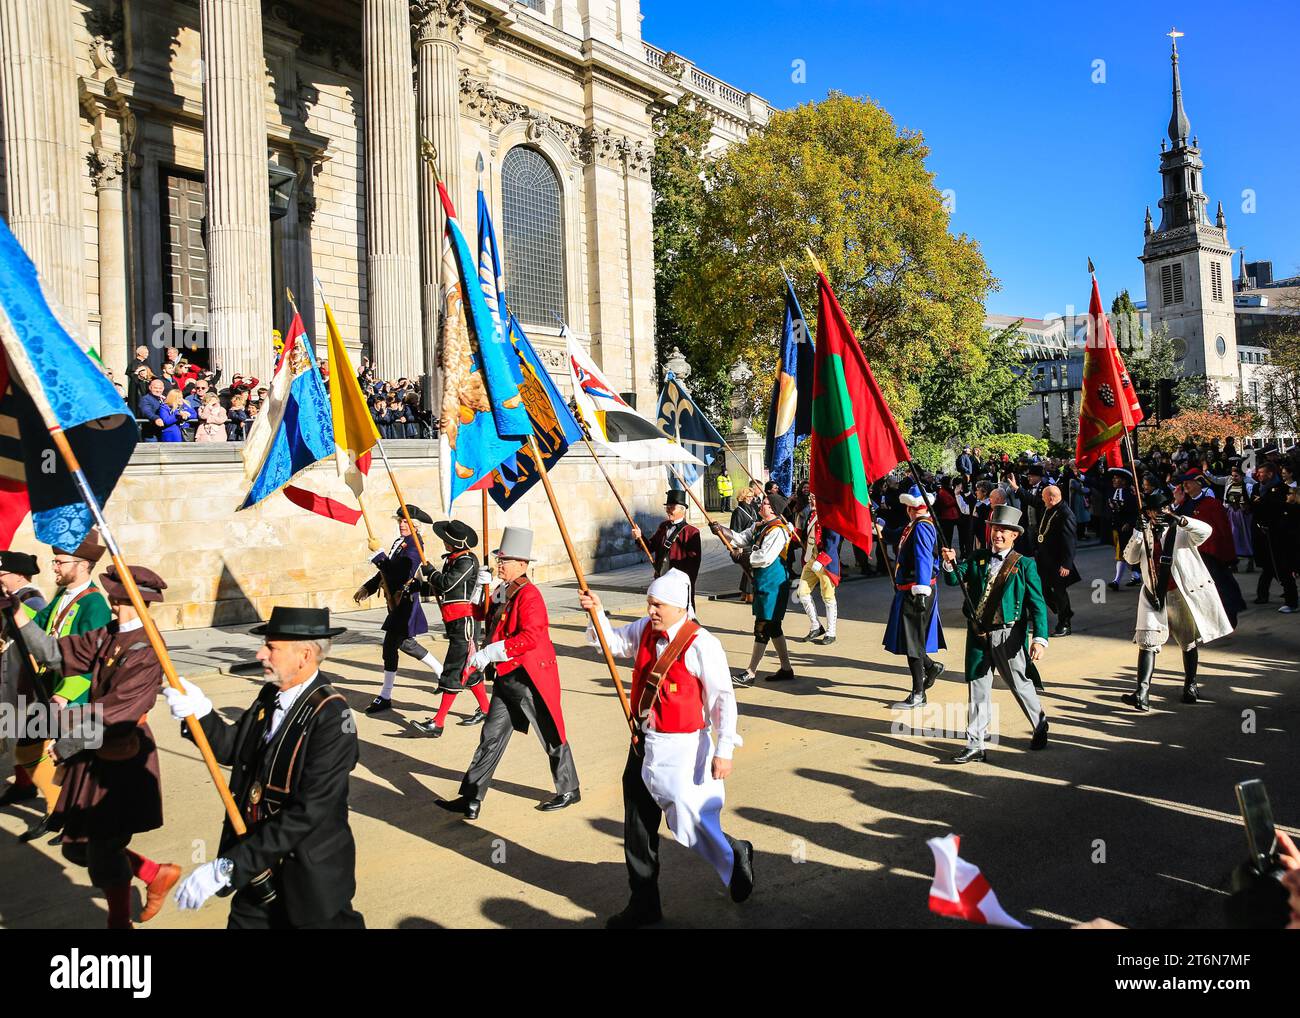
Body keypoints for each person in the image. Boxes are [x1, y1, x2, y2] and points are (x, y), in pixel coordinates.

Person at [166, 606, 364, 928]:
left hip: (309, 879)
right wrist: (200, 714)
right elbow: (235, 750)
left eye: (272, 647)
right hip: (257, 864)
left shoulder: (332, 717)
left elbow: (308, 812)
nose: (260, 654)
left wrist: (229, 865)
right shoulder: (270, 695)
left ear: (304, 655)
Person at [8, 564, 180, 927]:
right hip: (96, 751)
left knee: (100, 847)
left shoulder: (147, 649)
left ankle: (118, 923)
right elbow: (56, 653)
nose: (111, 600)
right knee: (77, 845)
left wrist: (66, 739)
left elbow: (115, 713)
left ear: (130, 598)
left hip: (123, 758)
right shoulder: (110, 633)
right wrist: (19, 616)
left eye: (115, 594)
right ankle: (153, 872)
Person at [579, 571, 753, 929]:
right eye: (649, 603)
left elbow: (723, 700)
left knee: (689, 824)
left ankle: (734, 853)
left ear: (679, 607)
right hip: (643, 742)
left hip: (684, 747)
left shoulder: (703, 644)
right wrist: (596, 613)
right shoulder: (645, 627)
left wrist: (724, 750)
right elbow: (613, 645)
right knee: (638, 826)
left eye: (658, 605)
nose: (651, 610)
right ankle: (643, 902)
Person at [436, 527, 579, 820]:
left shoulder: (530, 596)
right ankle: (472, 797)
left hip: (529, 678)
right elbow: (477, 613)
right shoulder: (503, 590)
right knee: (490, 736)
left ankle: (568, 789)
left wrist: (489, 652)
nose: (500, 563)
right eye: (500, 558)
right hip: (506, 677)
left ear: (523, 565)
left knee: (550, 733)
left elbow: (531, 638)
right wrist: (479, 587)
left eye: (506, 560)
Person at [13, 533, 114, 841]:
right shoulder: (62, 594)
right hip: (50, 687)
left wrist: (64, 694)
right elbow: (39, 624)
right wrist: (11, 604)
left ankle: (74, 819)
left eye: (59, 561)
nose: (53, 566)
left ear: (82, 565)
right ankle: (58, 808)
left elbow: (92, 657)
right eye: (55, 560)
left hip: (73, 695)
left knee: (74, 761)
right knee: (29, 745)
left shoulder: (94, 603)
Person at [940, 505, 1051, 763]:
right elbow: (955, 579)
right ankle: (976, 743)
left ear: (1015, 535)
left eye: (1005, 531)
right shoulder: (978, 557)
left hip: (1008, 635)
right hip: (978, 634)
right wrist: (950, 564)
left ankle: (1039, 722)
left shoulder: (1024, 565)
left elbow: (1037, 604)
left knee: (1019, 684)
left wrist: (1040, 638)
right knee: (978, 687)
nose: (998, 534)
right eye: (995, 529)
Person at [1120, 489, 1232, 711]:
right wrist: (1139, 532)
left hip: (1181, 593)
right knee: (1148, 642)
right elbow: (1130, 557)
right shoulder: (1145, 532)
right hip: (1154, 594)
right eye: (1154, 510)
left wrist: (1180, 520)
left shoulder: (1181, 530)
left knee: (1187, 641)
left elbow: (1206, 532)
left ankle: (1190, 685)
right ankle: (1142, 693)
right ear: (1148, 513)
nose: (1158, 513)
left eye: (1162, 509)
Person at [355, 506, 444, 715]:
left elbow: (400, 573)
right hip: (395, 601)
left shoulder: (415, 545)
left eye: (407, 523)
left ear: (416, 526)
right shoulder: (401, 542)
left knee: (392, 646)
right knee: (403, 643)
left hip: (405, 601)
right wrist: (368, 587)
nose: (402, 524)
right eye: (401, 521)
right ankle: (442, 673)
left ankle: (385, 696)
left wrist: (379, 557)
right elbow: (386, 574)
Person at [411, 520, 492, 737]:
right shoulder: (455, 560)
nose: (444, 542)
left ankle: (438, 722)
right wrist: (422, 584)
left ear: (454, 543)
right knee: (470, 668)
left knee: (453, 669)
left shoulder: (466, 561)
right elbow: (443, 588)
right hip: (454, 620)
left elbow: (447, 583)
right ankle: (486, 709)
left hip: (465, 621)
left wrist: (431, 573)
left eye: (446, 540)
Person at [710, 492, 795, 686]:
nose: (761, 504)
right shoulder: (759, 525)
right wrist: (720, 530)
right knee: (774, 626)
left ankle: (750, 672)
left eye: (765, 503)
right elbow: (740, 538)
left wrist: (744, 557)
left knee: (763, 627)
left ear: (773, 510)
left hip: (774, 584)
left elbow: (765, 557)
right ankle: (786, 669)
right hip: (763, 582)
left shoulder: (778, 531)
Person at [885, 485, 945, 709]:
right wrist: (877, 525)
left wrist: (920, 589)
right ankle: (931, 667)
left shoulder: (922, 527)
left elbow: (923, 559)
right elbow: (894, 535)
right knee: (910, 640)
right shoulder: (914, 525)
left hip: (916, 590)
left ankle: (918, 694)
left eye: (911, 507)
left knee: (913, 643)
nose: (908, 511)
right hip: (909, 589)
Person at [1175, 470, 1246, 626]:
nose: (1185, 485)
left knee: (1221, 586)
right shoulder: (1183, 504)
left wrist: (1226, 555)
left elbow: (1223, 531)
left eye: (1189, 481)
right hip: (1190, 554)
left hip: (1210, 555)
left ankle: (1229, 617)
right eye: (1184, 482)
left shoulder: (1212, 504)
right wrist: (1176, 504)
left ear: (1199, 483)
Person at [632, 490, 702, 606]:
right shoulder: (663, 526)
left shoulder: (692, 532)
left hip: (679, 581)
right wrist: (639, 537)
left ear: (682, 510)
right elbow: (650, 546)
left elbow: (694, 562)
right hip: (662, 578)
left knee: (682, 611)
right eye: (667, 507)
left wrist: (688, 582)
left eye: (672, 507)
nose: (668, 510)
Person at [1248, 463, 1297, 612]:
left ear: (1269, 474)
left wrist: (1263, 502)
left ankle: (1292, 601)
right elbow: (1253, 506)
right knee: (1267, 566)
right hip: (1261, 533)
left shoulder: (1281, 488)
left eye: (1262, 473)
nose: (1259, 475)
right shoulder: (1257, 488)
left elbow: (1284, 507)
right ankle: (1262, 594)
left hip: (1277, 534)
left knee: (1282, 567)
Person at [795, 493, 841, 644]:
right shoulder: (812, 514)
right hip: (811, 559)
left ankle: (831, 631)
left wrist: (821, 560)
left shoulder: (830, 516)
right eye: (810, 497)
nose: (811, 499)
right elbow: (808, 538)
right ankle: (816, 626)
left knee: (828, 596)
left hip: (825, 562)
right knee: (802, 593)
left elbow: (833, 542)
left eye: (814, 497)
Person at [1035, 484, 1080, 637]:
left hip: (1058, 562)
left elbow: (1070, 541)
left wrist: (1066, 564)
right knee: (1043, 590)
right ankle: (1065, 611)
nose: (1042, 499)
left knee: (1059, 592)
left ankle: (1065, 623)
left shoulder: (1066, 514)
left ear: (1051, 498)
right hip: (1044, 560)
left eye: (1044, 497)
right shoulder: (1049, 509)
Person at [1107, 467, 1142, 590]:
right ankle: (1136, 576)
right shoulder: (1112, 492)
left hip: (1127, 528)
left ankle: (1116, 581)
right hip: (1115, 527)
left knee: (1122, 553)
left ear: (1124, 481)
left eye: (1117, 478)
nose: (1114, 480)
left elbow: (1136, 511)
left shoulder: (1130, 494)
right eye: (1114, 478)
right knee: (1124, 553)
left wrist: (1129, 522)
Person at [729, 486, 759, 604]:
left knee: (748, 568)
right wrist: (738, 546)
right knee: (749, 567)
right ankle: (749, 595)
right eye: (749, 496)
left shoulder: (752, 508)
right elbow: (735, 529)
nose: (751, 499)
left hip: (753, 542)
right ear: (743, 497)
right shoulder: (738, 511)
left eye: (752, 496)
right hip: (743, 542)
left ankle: (744, 593)